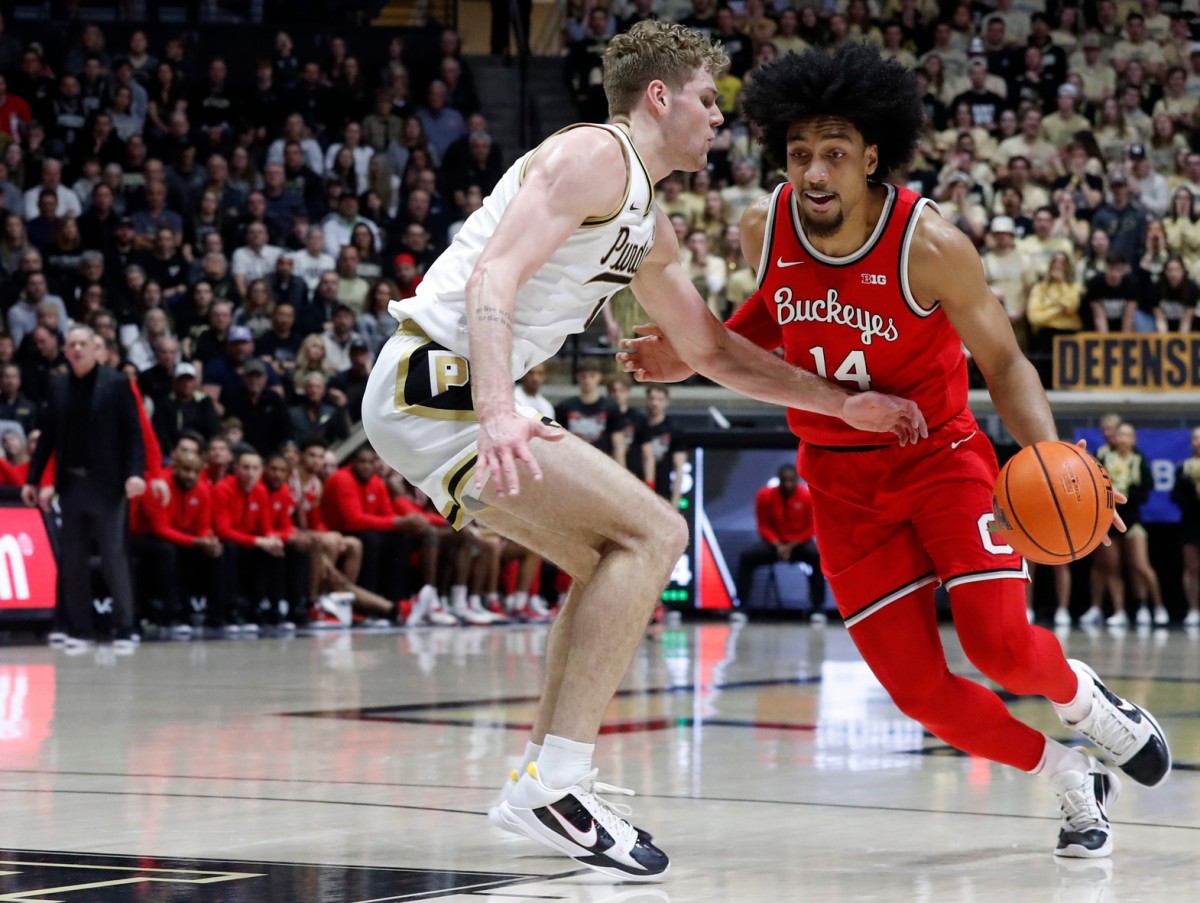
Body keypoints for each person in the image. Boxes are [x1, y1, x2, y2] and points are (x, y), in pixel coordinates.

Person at [361, 22, 925, 880]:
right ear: (658, 96)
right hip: (435, 381)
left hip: (453, 391)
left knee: (609, 561)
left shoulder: (645, 222)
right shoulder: (595, 153)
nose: (718, 121)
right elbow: (493, 274)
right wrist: (499, 408)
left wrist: (849, 406)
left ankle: (539, 782)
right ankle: (559, 780)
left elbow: (715, 352)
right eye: (708, 100)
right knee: (655, 535)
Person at [619, 43, 1171, 860]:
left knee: (997, 647)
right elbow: (776, 315)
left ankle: (1086, 704)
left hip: (941, 459)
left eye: (835, 153)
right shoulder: (759, 226)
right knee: (919, 694)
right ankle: (1067, 773)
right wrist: (697, 351)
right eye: (800, 153)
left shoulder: (930, 244)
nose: (814, 171)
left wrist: (1055, 457)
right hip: (839, 479)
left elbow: (1006, 361)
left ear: (872, 156)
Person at [22, 325, 147, 651]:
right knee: (73, 559)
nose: (77, 349)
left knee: (112, 557)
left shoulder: (117, 383)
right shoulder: (58, 386)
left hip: (107, 485)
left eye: (82, 344)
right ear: (66, 351)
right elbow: (47, 436)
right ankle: (80, 629)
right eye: (72, 344)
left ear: (96, 349)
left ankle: (125, 627)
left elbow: (134, 434)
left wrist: (135, 473)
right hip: (71, 483)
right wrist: (34, 479)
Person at [1093, 422, 1168, 628]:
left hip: (1133, 520)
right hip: (1109, 520)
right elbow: (1095, 484)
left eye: (1128, 436)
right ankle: (1119, 611)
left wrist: (1126, 494)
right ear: (1115, 438)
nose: (1124, 439)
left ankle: (1157, 607)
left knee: (1141, 565)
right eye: (1121, 435)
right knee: (1112, 567)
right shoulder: (1104, 458)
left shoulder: (1139, 460)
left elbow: (1145, 490)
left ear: (1134, 440)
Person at [735, 463, 829, 621]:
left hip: (799, 544)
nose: (788, 484)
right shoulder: (764, 495)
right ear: (779, 480)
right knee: (746, 557)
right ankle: (741, 607)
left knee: (818, 558)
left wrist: (791, 545)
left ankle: (818, 608)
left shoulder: (807, 496)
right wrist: (777, 544)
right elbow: (763, 525)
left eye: (791, 480)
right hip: (774, 545)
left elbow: (812, 527)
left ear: (796, 480)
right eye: (784, 480)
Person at [1172, 425, 1200, 629]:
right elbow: (1176, 496)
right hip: (1191, 524)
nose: (1198, 443)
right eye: (1195, 439)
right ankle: (1193, 609)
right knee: (1191, 568)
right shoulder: (1184, 468)